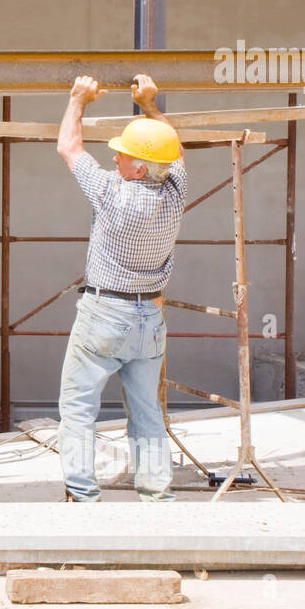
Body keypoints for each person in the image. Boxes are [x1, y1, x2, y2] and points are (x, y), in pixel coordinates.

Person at [55, 72, 185, 503]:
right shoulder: (176, 191)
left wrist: (78, 100)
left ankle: (82, 495)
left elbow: (68, 147)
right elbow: (176, 150)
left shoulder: (113, 193)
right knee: (147, 411)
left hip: (104, 314)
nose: (116, 160)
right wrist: (149, 104)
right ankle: (155, 493)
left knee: (78, 408)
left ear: (141, 168)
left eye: (124, 156)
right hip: (149, 319)